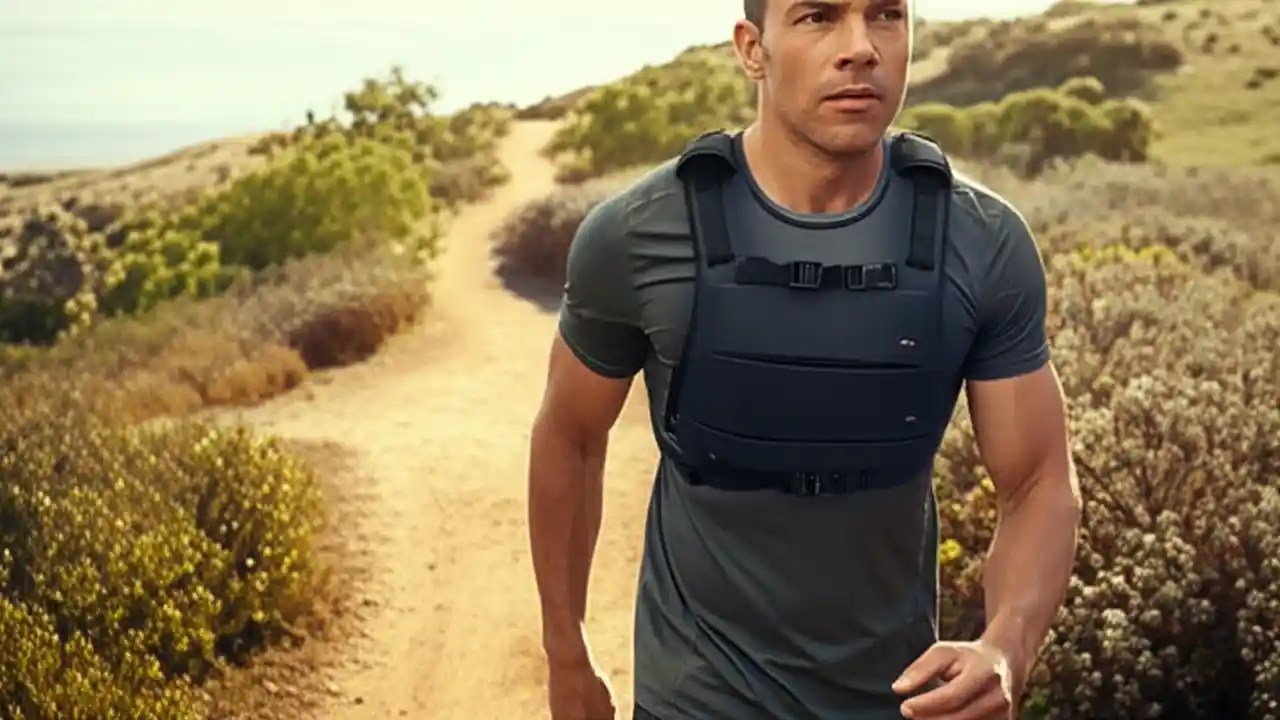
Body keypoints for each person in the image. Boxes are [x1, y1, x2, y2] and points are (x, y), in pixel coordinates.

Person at [527, 0, 1083, 718]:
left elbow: (1038, 479)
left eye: (885, 15)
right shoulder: (640, 233)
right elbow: (569, 439)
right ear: (752, 50)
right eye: (819, 17)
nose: (861, 48)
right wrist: (566, 654)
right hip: (696, 699)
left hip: (897, 702)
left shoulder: (979, 242)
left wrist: (1007, 647)